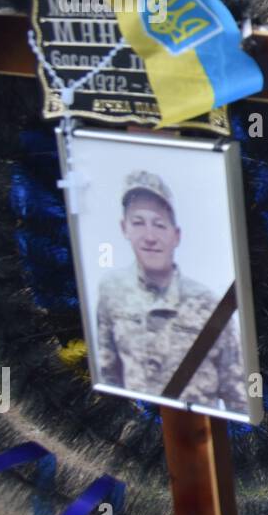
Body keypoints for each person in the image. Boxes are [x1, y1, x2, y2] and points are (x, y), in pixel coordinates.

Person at [95, 171, 246, 414]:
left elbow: (237, 394)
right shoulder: (112, 291)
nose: (150, 237)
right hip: (137, 439)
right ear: (124, 228)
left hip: (200, 437)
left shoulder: (208, 302)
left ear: (176, 235)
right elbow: (108, 377)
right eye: (138, 222)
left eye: (159, 224)